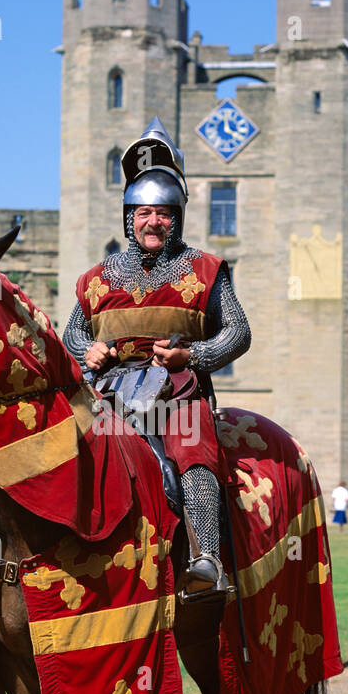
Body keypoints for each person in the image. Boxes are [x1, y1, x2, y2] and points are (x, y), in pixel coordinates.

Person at [63, 116, 251, 598]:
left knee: (192, 451)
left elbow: (238, 332)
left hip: (176, 396)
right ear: (129, 218)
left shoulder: (205, 270)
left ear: (177, 218)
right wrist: (89, 348)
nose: (153, 221)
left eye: (163, 213)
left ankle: (206, 556)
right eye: (143, 212)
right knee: (47, 445)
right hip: (105, 396)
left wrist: (192, 354)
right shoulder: (96, 279)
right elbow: (71, 333)